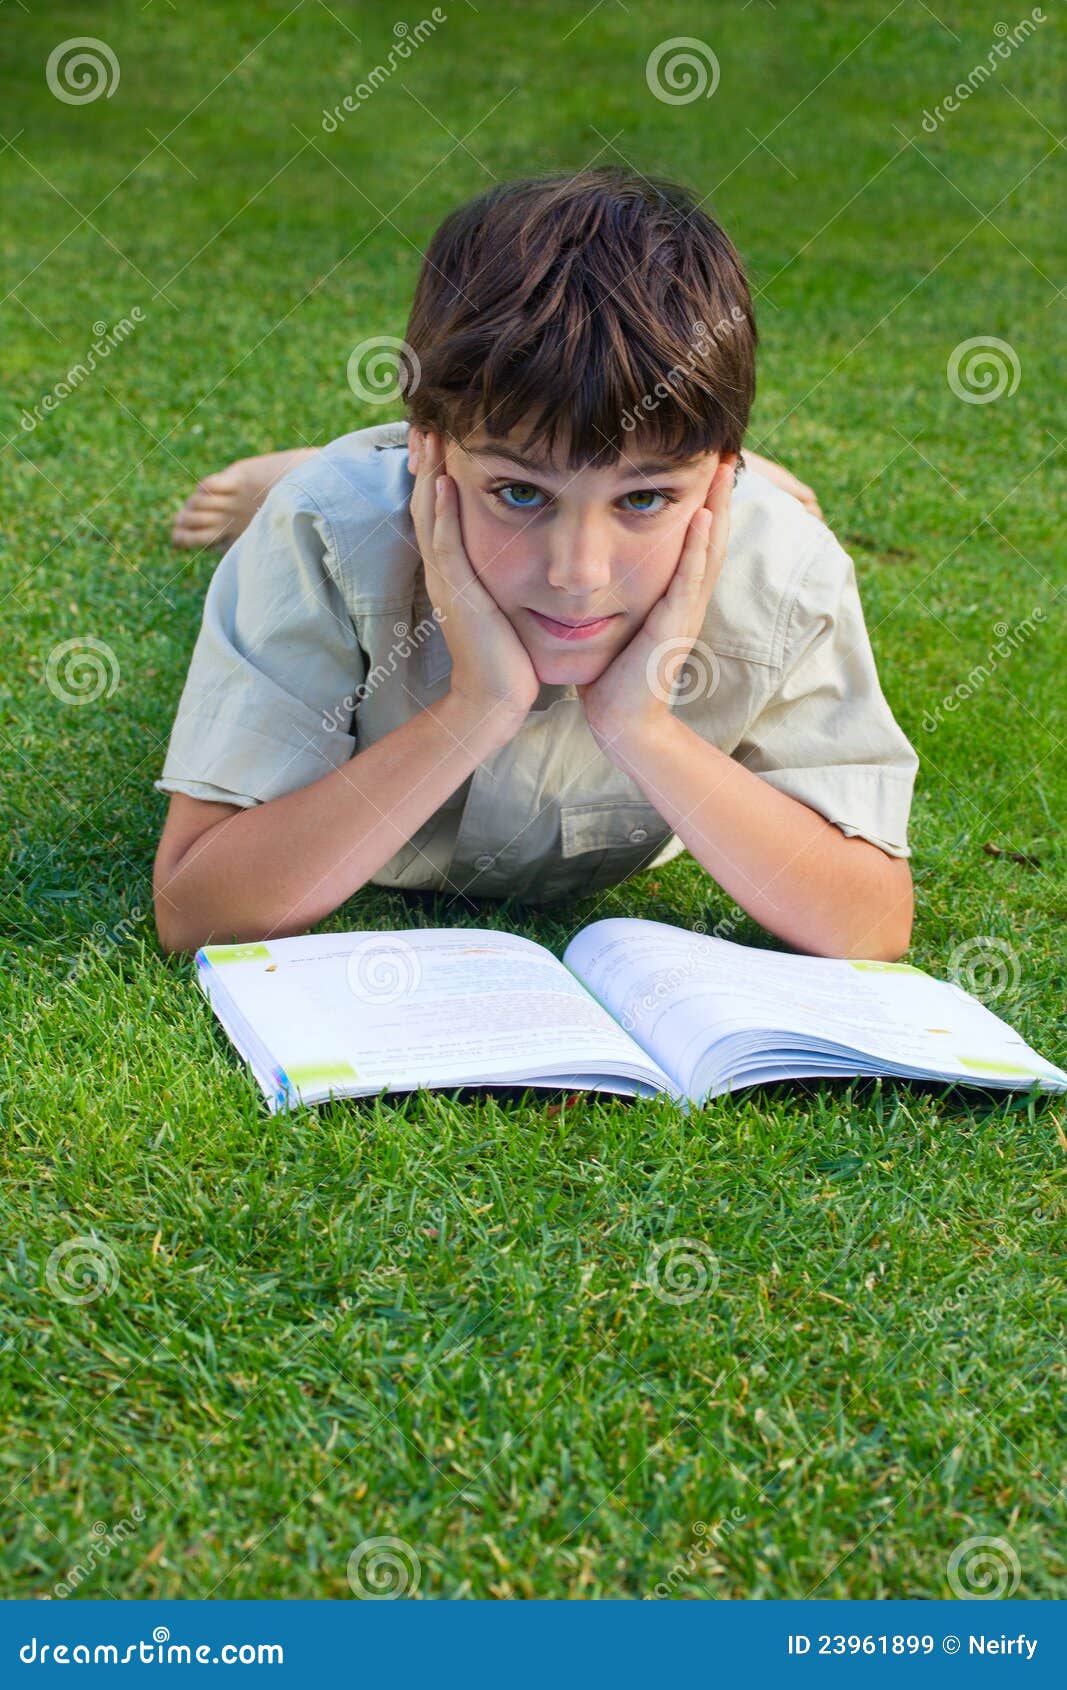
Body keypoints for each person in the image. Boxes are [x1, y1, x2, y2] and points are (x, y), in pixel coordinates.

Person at [153, 167, 917, 961]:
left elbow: (867, 926)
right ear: (435, 456)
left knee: (596, 450)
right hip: (387, 485)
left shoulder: (781, 568)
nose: (578, 573)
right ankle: (336, 461)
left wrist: (642, 724)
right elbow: (196, 911)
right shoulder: (322, 532)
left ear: (719, 482)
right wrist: (477, 707)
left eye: (645, 500)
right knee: (361, 487)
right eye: (520, 494)